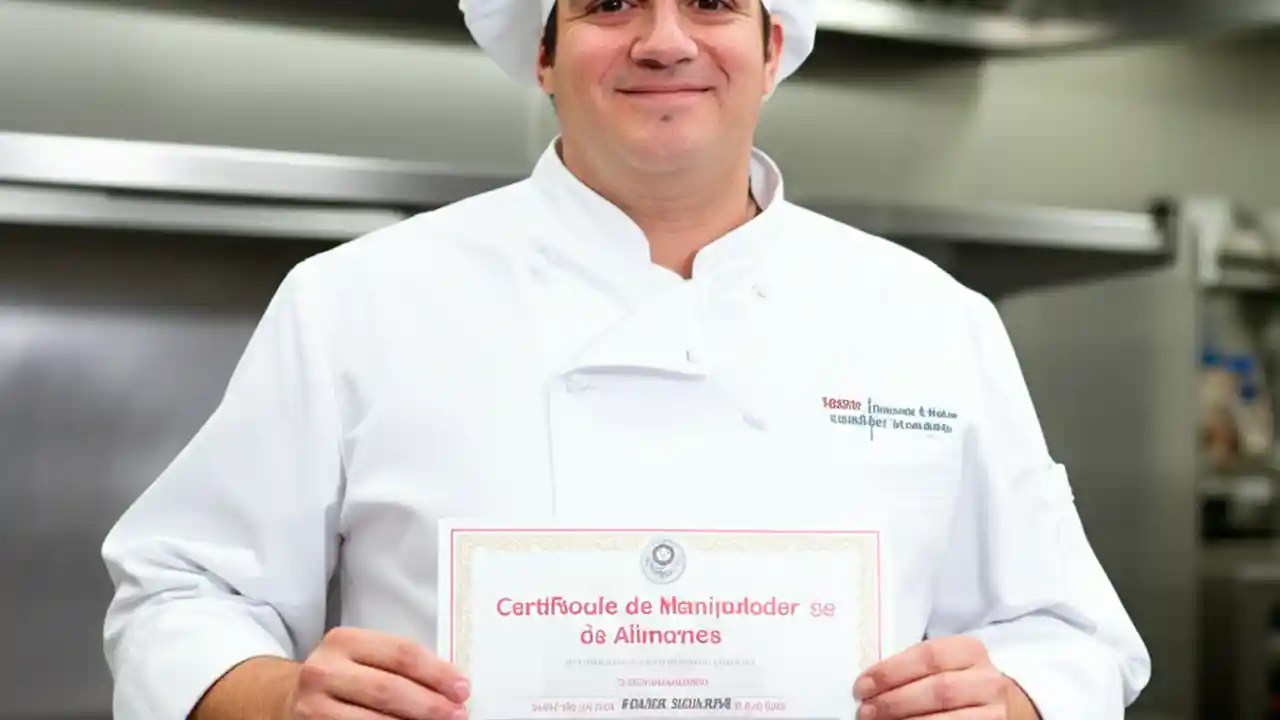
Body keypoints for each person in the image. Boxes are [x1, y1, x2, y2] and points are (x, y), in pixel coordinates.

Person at [101, 0, 1151, 718]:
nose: (662, 41)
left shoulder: (930, 318)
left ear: (771, 42)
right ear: (543, 54)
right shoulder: (356, 300)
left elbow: (1069, 633)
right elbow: (178, 591)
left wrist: (1011, 696)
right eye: (607, 3)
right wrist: (275, 698)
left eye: (710, 2)